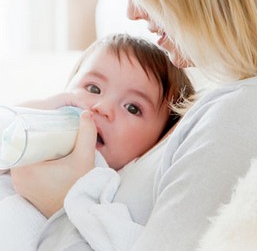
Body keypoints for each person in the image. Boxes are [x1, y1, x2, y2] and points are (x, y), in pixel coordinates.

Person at [8, 0, 257, 250]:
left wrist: (60, 204)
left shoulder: (251, 114)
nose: (132, 11)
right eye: (93, 88)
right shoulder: (253, 98)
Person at [0, 33, 195, 249]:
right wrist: (40, 110)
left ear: (157, 143)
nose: (102, 107)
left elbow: (116, 242)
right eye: (93, 89)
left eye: (132, 108)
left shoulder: (112, 189)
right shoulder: (44, 136)